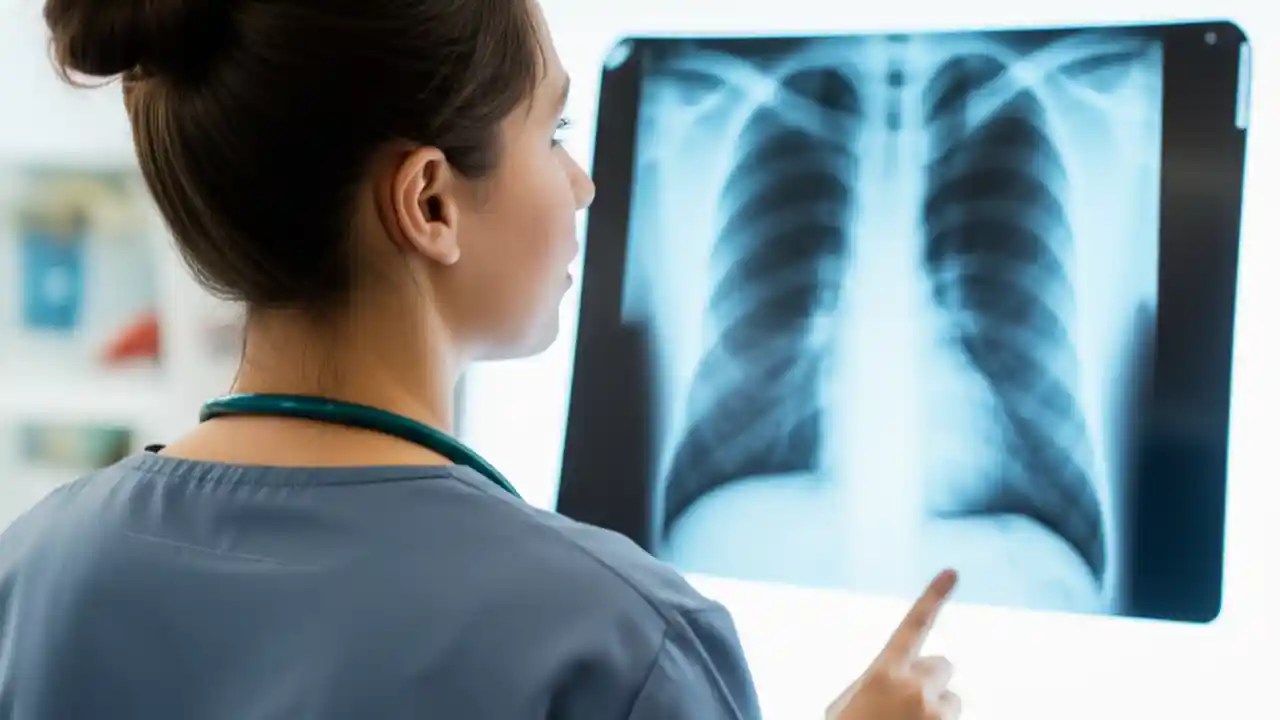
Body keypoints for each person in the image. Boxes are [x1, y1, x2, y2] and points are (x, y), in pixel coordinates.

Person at [0, 0, 963, 718]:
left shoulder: (38, 567)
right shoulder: (611, 639)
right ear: (429, 203)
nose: (583, 185)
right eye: (552, 133)